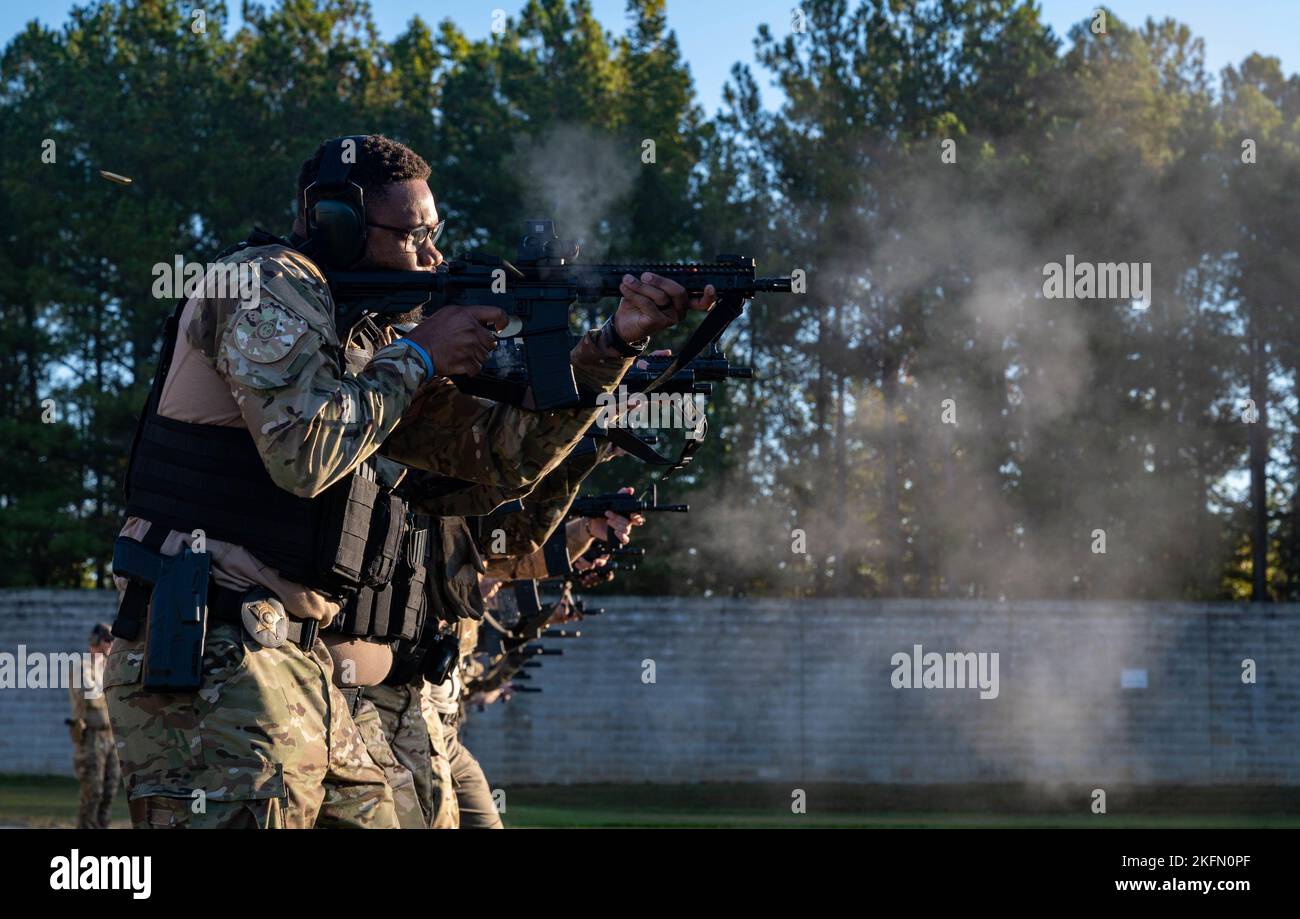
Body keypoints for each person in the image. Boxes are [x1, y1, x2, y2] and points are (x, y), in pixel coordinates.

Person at [105, 133, 714, 828]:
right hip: (216, 649)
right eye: (417, 236)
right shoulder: (262, 281)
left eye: (437, 235)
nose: (435, 257)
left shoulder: (364, 338)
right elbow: (303, 451)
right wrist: (422, 355)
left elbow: (497, 459)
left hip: (299, 664)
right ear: (337, 222)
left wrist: (612, 345)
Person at [66, 623, 120, 829]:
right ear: (98, 642)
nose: (112, 644)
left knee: (109, 790)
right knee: (93, 792)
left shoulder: (109, 667)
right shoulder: (82, 667)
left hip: (110, 737)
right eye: (108, 640)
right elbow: (90, 695)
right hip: (91, 737)